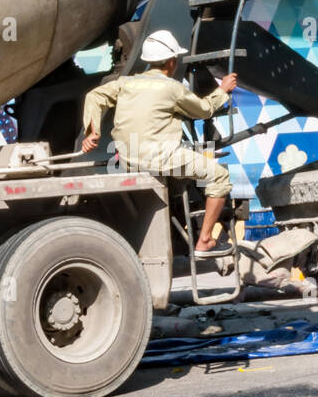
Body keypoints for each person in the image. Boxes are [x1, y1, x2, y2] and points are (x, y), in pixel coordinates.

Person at [81, 30, 238, 257]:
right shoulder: (172, 88)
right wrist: (222, 90)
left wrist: (92, 131)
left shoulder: (125, 83)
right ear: (173, 62)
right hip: (160, 158)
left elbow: (94, 97)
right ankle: (204, 241)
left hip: (126, 157)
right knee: (219, 176)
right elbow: (204, 110)